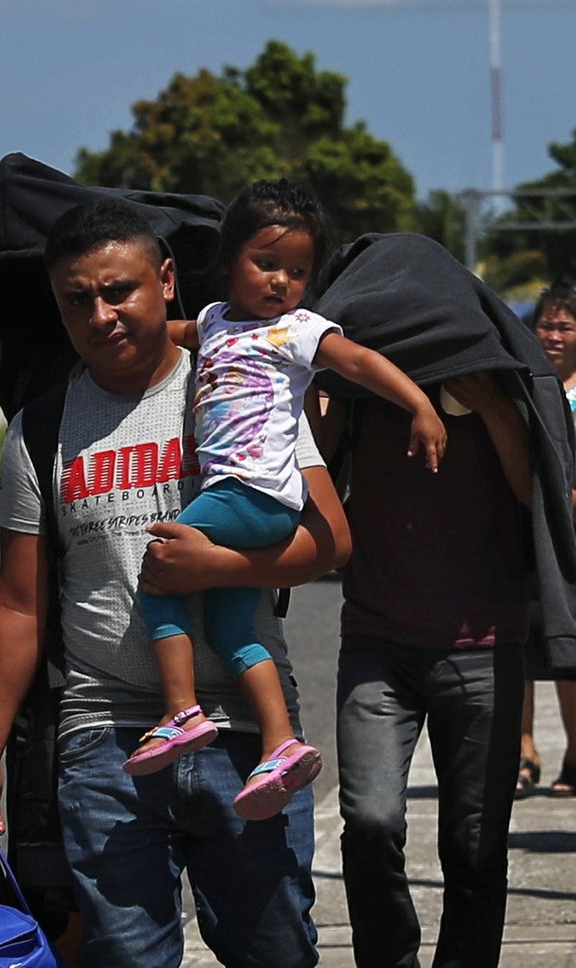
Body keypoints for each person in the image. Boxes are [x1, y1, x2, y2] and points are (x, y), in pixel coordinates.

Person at [0, 198, 349, 968]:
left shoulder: (238, 384)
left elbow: (326, 540)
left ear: (169, 281)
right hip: (103, 733)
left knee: (278, 954)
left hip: (239, 730)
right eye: (77, 300)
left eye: (118, 290)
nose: (101, 315)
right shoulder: (41, 427)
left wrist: (222, 571)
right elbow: (23, 605)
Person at [131, 181, 447, 820]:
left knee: (161, 571)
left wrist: (417, 402)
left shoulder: (297, 331)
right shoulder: (216, 320)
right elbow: (169, 331)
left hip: (253, 494)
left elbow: (357, 362)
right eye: (266, 264)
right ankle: (280, 744)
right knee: (229, 628)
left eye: (298, 271)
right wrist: (118, 329)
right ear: (228, 263)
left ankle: (181, 710)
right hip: (241, 500)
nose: (281, 281)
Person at [317, 336, 536, 968]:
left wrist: (490, 402)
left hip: (484, 648)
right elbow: (307, 470)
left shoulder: (500, 382)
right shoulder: (359, 386)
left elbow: (534, 491)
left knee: (474, 846)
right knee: (370, 821)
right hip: (378, 640)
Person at [520, 287, 576, 798]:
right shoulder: (522, 382)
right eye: (546, 326)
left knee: (574, 651)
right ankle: (523, 750)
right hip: (525, 537)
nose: (553, 336)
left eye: (565, 327)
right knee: (518, 648)